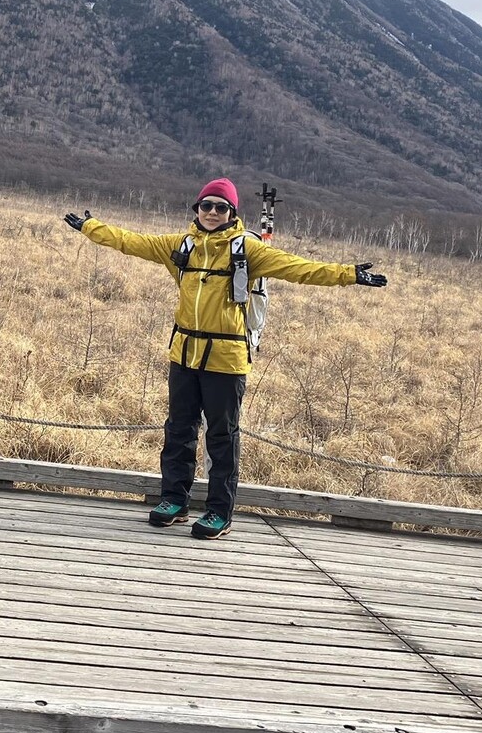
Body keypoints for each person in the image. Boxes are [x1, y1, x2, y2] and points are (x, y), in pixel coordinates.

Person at [63, 177, 388, 540]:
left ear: (232, 213)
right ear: (196, 209)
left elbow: (298, 268)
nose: (213, 213)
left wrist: (348, 275)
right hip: (184, 354)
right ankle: (174, 500)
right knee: (179, 430)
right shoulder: (181, 245)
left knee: (222, 436)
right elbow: (132, 242)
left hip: (226, 359)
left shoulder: (246, 250)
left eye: (221, 207)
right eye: (207, 206)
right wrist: (92, 228)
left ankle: (219, 511)